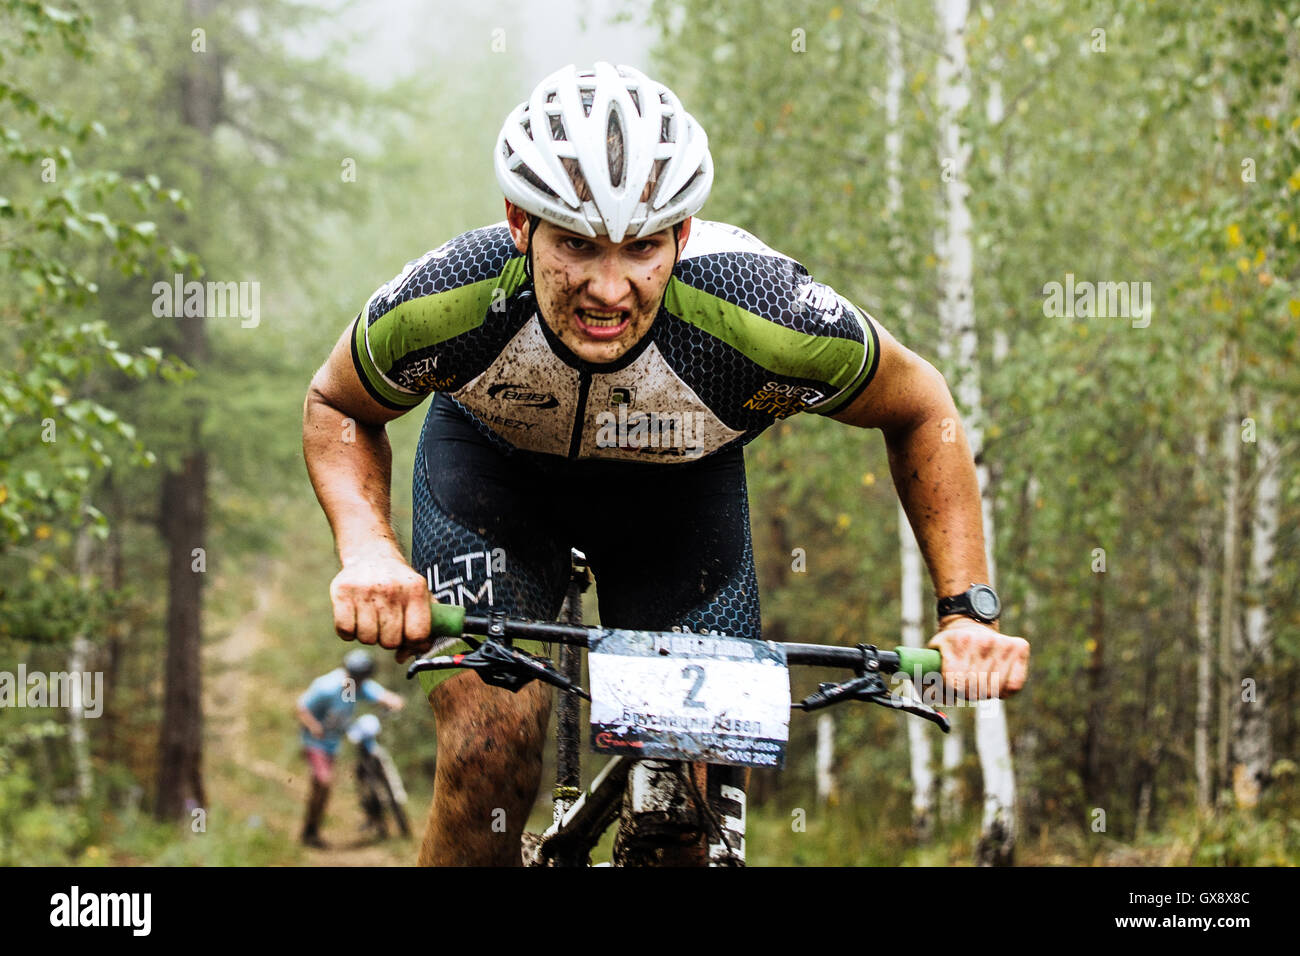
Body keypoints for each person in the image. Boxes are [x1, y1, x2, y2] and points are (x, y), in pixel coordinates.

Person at [303, 62, 1030, 866]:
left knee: (690, 801)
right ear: (519, 222)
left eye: (642, 248)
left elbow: (922, 408)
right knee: (490, 751)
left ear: (683, 234)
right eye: (577, 245)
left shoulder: (762, 312)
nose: (609, 289)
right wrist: (369, 552)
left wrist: (969, 610)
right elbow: (338, 405)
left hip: (678, 504)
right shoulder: (453, 296)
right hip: (493, 483)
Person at [295, 649, 404, 848]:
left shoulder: (353, 686)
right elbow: (302, 708)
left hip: (332, 744)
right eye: (358, 677)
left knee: (322, 789)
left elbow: (378, 694)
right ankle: (310, 831)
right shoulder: (326, 687)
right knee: (324, 782)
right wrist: (314, 726)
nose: (361, 681)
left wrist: (393, 701)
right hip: (315, 743)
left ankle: (311, 830)